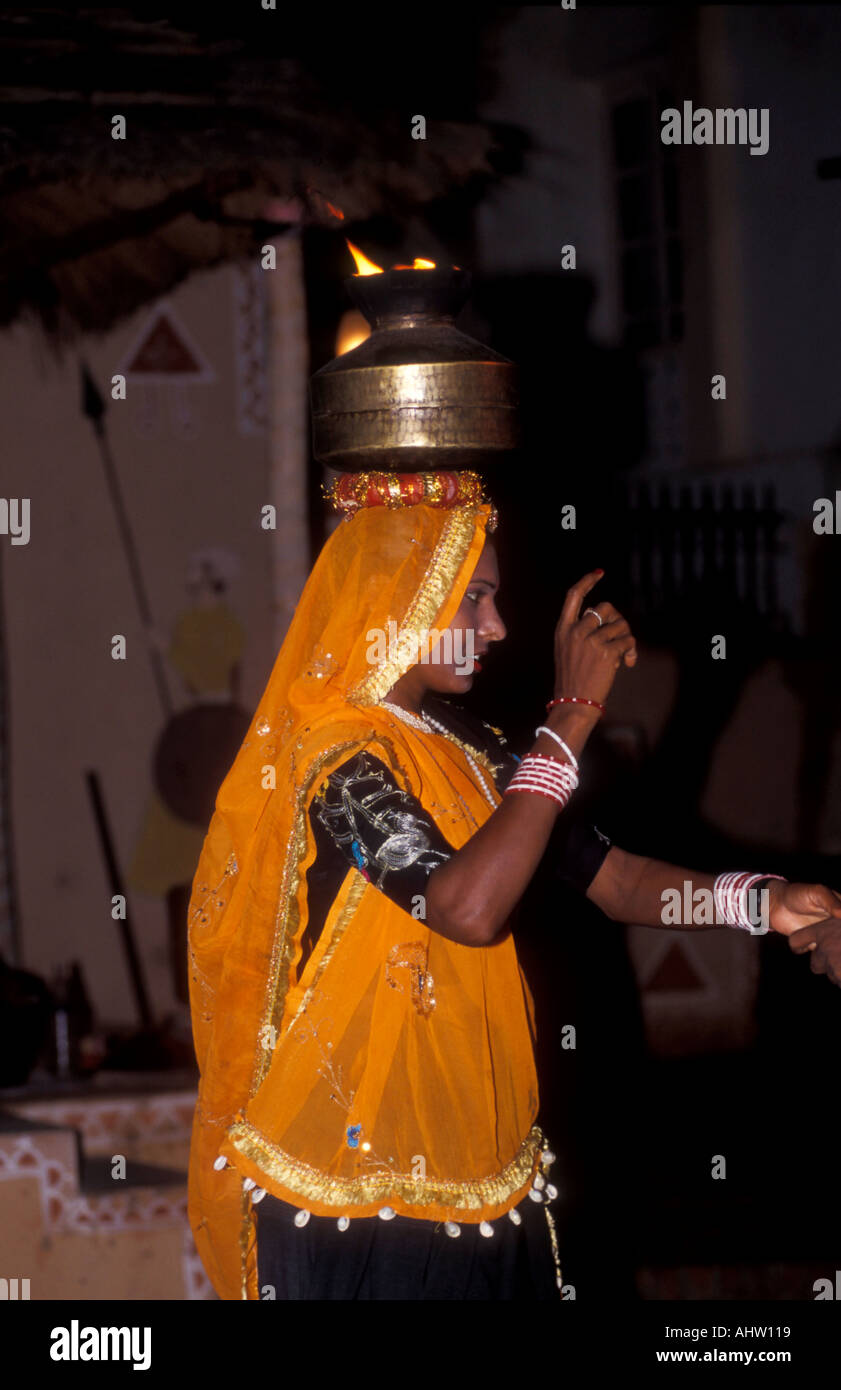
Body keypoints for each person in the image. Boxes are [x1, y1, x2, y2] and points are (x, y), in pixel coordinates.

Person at [187, 474, 841, 1301]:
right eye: (472, 599)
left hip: (486, 1180)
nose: (494, 626)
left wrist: (765, 903)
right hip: (349, 1197)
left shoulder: (471, 750)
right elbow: (465, 907)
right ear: (401, 598)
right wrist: (567, 718)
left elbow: (613, 879)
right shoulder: (338, 759)